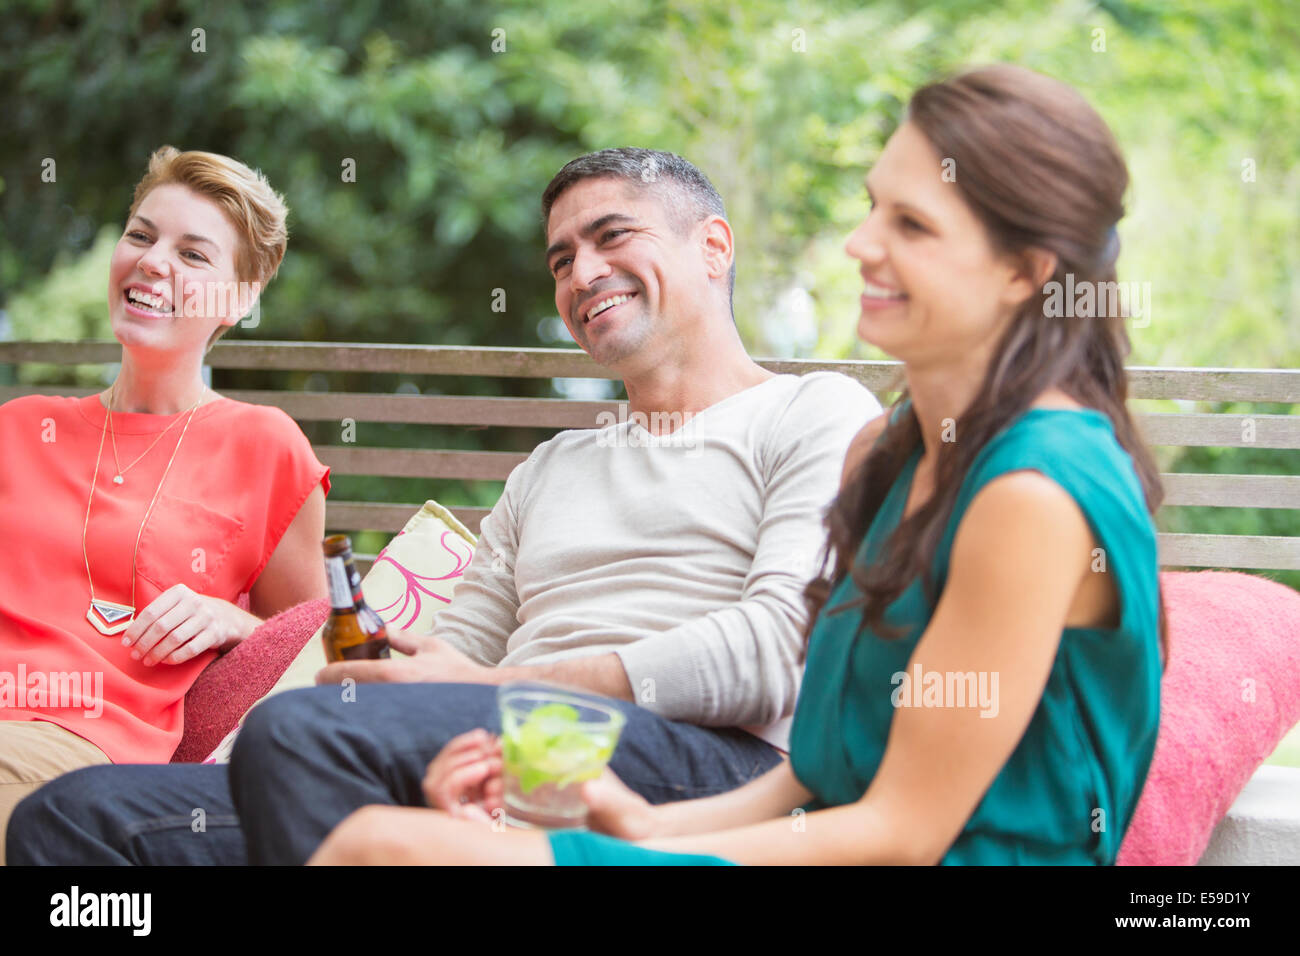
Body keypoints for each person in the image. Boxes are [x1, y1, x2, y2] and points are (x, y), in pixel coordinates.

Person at [306, 63, 1168, 866]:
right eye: (873, 208)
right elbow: (817, 775)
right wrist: (639, 823)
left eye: (911, 224)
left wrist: (622, 852)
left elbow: (903, 830)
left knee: (386, 848)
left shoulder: (1032, 494)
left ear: (1025, 272)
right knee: (377, 832)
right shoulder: (889, 455)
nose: (860, 244)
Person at [7, 148, 879, 865]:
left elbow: (778, 652)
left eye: (613, 236)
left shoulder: (814, 412)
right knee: (72, 819)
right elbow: (452, 654)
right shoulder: (551, 468)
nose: (583, 272)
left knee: (302, 734)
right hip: (502, 749)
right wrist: (392, 683)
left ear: (715, 246)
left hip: (700, 764)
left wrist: (495, 688)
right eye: (562, 258)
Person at [0, 147, 328, 863]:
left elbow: (315, 649)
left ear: (240, 300)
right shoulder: (19, 428)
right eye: (141, 236)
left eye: (193, 254)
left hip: (76, 748)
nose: (152, 262)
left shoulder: (263, 445)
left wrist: (232, 619)